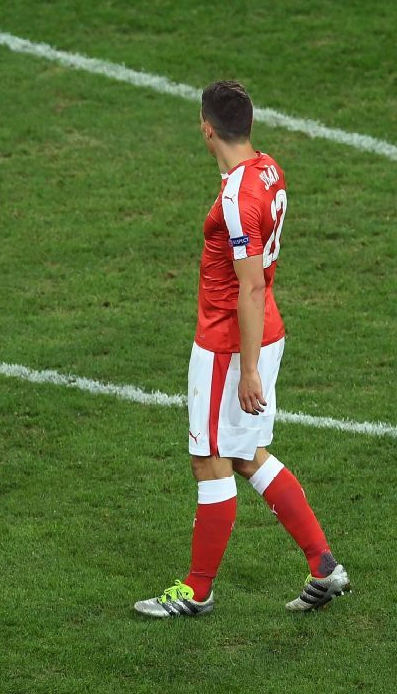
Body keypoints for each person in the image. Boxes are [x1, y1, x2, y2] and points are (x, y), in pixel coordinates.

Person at [134, 80, 349, 617]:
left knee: (209, 460)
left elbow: (249, 284)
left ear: (207, 129)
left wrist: (247, 369)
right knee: (247, 455)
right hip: (264, 331)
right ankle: (324, 565)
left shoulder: (235, 198)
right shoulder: (270, 170)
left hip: (229, 343)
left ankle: (197, 591)